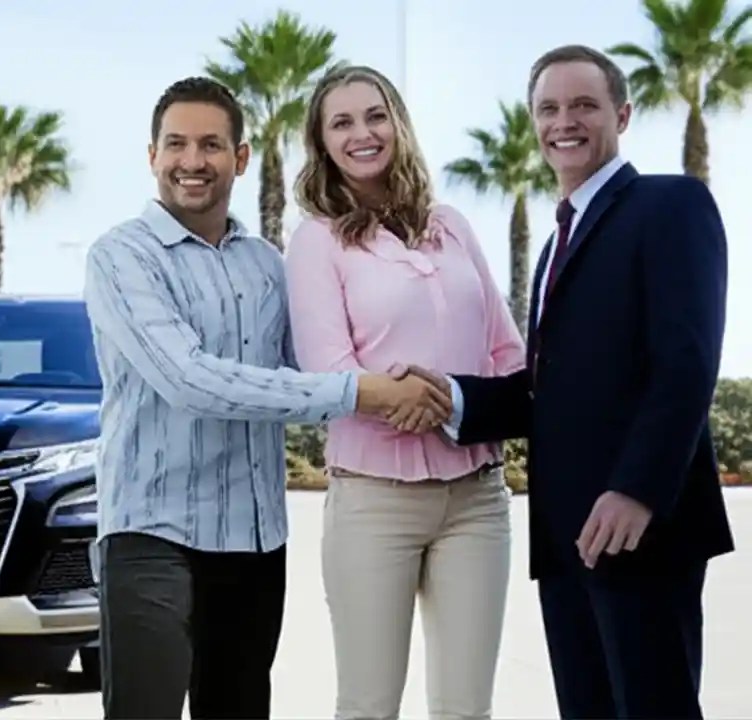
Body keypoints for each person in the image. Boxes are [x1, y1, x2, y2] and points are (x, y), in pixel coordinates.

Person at [82, 76, 453, 720]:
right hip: (151, 534)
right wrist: (364, 391)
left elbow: (309, 365)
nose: (192, 161)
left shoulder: (265, 263)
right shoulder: (121, 257)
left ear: (242, 157)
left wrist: (417, 385)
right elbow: (191, 380)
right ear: (152, 156)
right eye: (176, 144)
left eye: (211, 145)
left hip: (253, 542)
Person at [404, 45, 733, 719]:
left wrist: (637, 490)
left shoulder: (671, 204)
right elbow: (556, 386)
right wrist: (454, 396)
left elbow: (687, 362)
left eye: (584, 104)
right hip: (564, 536)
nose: (565, 121)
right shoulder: (557, 240)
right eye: (548, 108)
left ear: (623, 113)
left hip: (641, 528)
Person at [282, 64, 525, 720]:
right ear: (322, 143)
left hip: (477, 500)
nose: (363, 133)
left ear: (398, 124)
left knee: (466, 707)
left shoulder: (453, 226)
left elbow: (508, 354)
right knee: (368, 705)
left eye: (375, 115)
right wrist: (428, 398)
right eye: (342, 122)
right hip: (372, 504)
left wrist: (450, 400)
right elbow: (328, 370)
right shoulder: (315, 242)